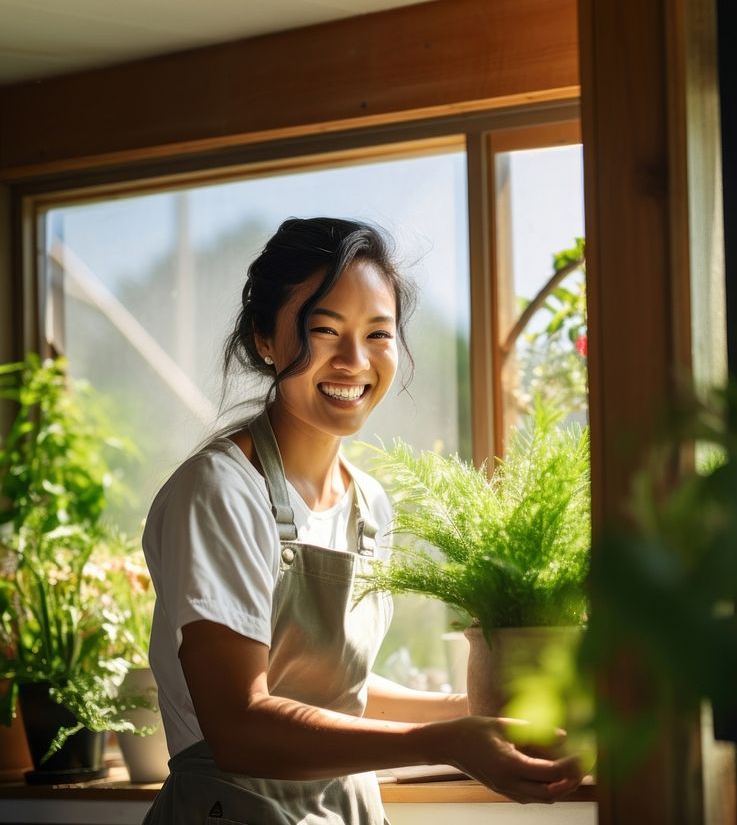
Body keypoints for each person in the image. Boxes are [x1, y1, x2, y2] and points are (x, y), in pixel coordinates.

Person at [140, 217, 582, 824]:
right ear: (265, 339)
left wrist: (474, 713)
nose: (355, 360)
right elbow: (239, 724)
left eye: (378, 333)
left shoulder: (367, 502)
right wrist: (443, 743)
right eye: (324, 329)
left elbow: (333, 693)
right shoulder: (219, 491)